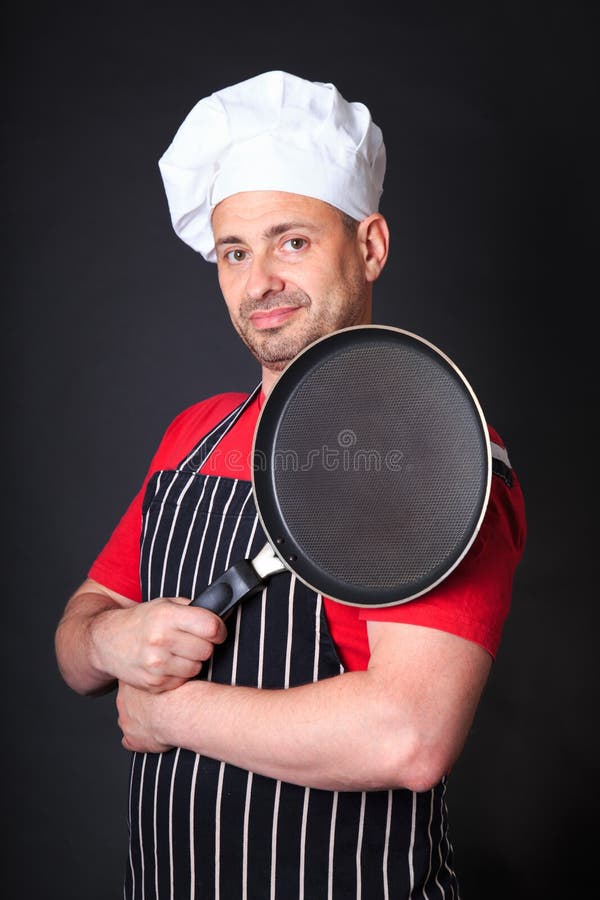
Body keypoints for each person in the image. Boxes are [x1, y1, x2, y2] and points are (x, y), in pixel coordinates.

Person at [54, 70, 526, 899]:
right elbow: (79, 634)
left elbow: (409, 737)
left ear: (370, 245)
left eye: (292, 240)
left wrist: (165, 710)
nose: (260, 279)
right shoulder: (193, 438)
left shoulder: (439, 451)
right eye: (235, 251)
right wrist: (107, 642)